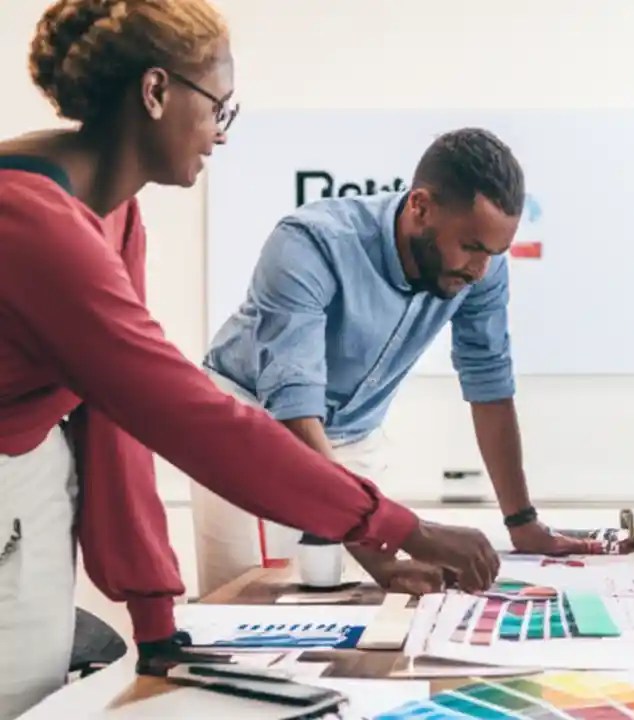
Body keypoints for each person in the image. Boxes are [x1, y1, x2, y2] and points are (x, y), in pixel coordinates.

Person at [0, 2, 498, 717]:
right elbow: (196, 420)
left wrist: (157, 624)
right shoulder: (33, 221)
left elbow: (122, 419)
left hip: (36, 475)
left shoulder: (116, 212)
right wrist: (402, 525)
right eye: (219, 108)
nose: (221, 136)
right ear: (155, 91)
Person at [195, 127, 597, 595]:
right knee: (246, 603)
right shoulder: (310, 243)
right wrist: (377, 548)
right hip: (255, 422)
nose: (480, 270)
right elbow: (294, 404)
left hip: (355, 434)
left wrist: (522, 521)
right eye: (470, 247)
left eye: (494, 253)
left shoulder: (481, 267)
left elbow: (489, 382)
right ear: (420, 206)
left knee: (361, 605)